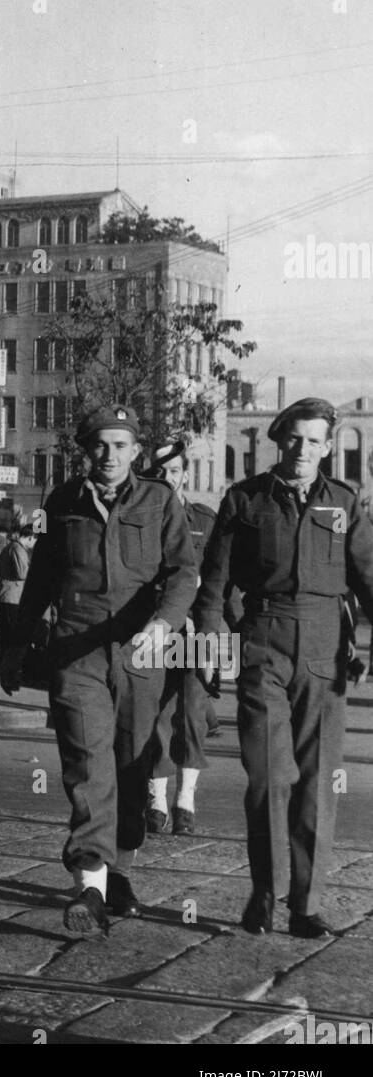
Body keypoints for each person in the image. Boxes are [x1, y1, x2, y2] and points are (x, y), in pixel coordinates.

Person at [0, 406, 196, 936]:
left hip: (142, 650)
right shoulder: (64, 501)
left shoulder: (160, 501)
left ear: (135, 451)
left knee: (133, 762)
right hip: (77, 650)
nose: (109, 456)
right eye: (100, 446)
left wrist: (165, 622)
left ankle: (121, 872)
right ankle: (90, 884)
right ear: (86, 450)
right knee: (88, 763)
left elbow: (183, 573)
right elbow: (40, 580)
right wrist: (14, 647)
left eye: (120, 445)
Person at [194, 396, 373, 938]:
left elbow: (367, 575)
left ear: (328, 446)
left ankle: (307, 903)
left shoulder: (344, 502)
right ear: (279, 438)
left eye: (316, 440)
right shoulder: (246, 500)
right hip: (264, 642)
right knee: (269, 778)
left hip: (325, 648)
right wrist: (209, 644)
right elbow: (215, 584)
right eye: (295, 437)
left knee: (319, 783)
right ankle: (265, 893)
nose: (304, 449)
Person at [145, 440, 219, 836]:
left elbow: (222, 583)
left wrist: (226, 640)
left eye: (174, 472)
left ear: (185, 475)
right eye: (159, 473)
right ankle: (156, 800)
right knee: (155, 713)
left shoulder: (205, 520)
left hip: (197, 629)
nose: (167, 479)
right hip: (154, 627)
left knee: (192, 712)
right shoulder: (142, 516)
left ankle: (185, 799)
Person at [0, 524, 32, 664]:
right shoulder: (18, 549)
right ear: (30, 537)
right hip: (13, 597)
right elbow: (22, 573)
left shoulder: (10, 547)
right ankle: (7, 667)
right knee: (11, 635)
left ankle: (3, 665)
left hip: (7, 595)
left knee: (6, 634)